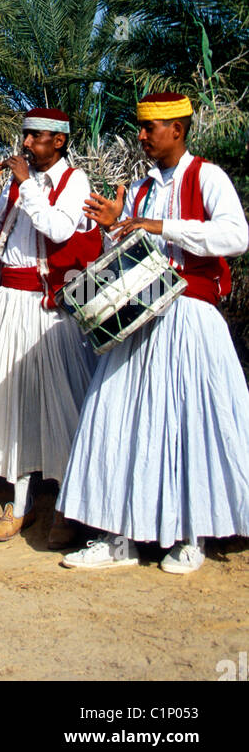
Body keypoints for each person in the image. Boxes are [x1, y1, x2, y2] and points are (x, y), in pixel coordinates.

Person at [58, 91, 249, 574]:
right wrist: (113, 227)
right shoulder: (141, 189)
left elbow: (236, 236)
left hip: (189, 318)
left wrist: (163, 226)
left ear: (177, 130)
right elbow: (131, 248)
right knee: (118, 420)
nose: (141, 137)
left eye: (149, 129)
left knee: (190, 424)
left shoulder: (207, 176)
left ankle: (190, 535)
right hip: (137, 320)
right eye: (141, 129)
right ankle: (117, 537)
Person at [0, 109, 98, 545]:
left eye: (36, 138)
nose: (26, 145)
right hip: (10, 300)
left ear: (58, 141)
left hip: (50, 307)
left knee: (63, 400)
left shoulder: (74, 181)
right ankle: (20, 502)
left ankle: (66, 505)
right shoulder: (19, 183)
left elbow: (60, 229)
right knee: (14, 402)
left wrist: (24, 187)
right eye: (25, 137)